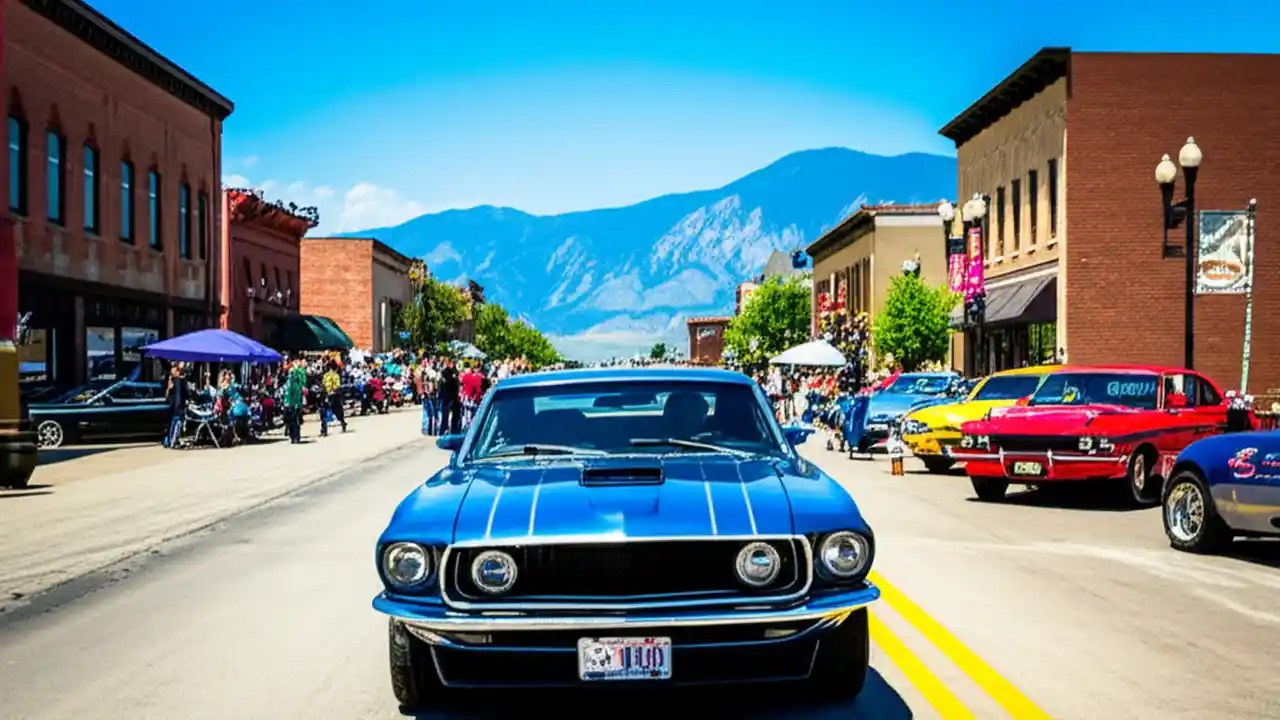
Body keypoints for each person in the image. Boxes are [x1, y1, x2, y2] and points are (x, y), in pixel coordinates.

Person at [164, 363, 189, 449]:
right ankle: (171, 441)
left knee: (177, 422)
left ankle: (174, 440)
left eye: (177, 371)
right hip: (173, 406)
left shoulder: (181, 381)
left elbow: (186, 394)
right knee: (173, 423)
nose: (175, 372)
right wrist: (168, 388)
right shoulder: (171, 381)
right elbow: (167, 396)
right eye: (174, 371)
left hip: (178, 406)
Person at [283, 358, 306, 444]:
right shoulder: (288, 384)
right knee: (292, 422)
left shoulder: (294, 384)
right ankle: (294, 436)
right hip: (291, 405)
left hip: (292, 405)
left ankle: (295, 437)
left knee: (293, 422)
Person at [323, 361, 347, 435]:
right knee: (328, 411)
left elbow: (336, 385)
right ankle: (324, 429)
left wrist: (331, 392)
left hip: (333, 395)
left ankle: (342, 423)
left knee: (334, 410)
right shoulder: (329, 375)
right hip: (331, 394)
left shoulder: (330, 375)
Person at [439, 362, 461, 434]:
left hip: (446, 400)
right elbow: (457, 389)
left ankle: (443, 431)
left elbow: (441, 392)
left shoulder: (443, 382)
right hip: (453, 400)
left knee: (445, 418)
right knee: (454, 417)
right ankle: (454, 430)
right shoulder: (454, 381)